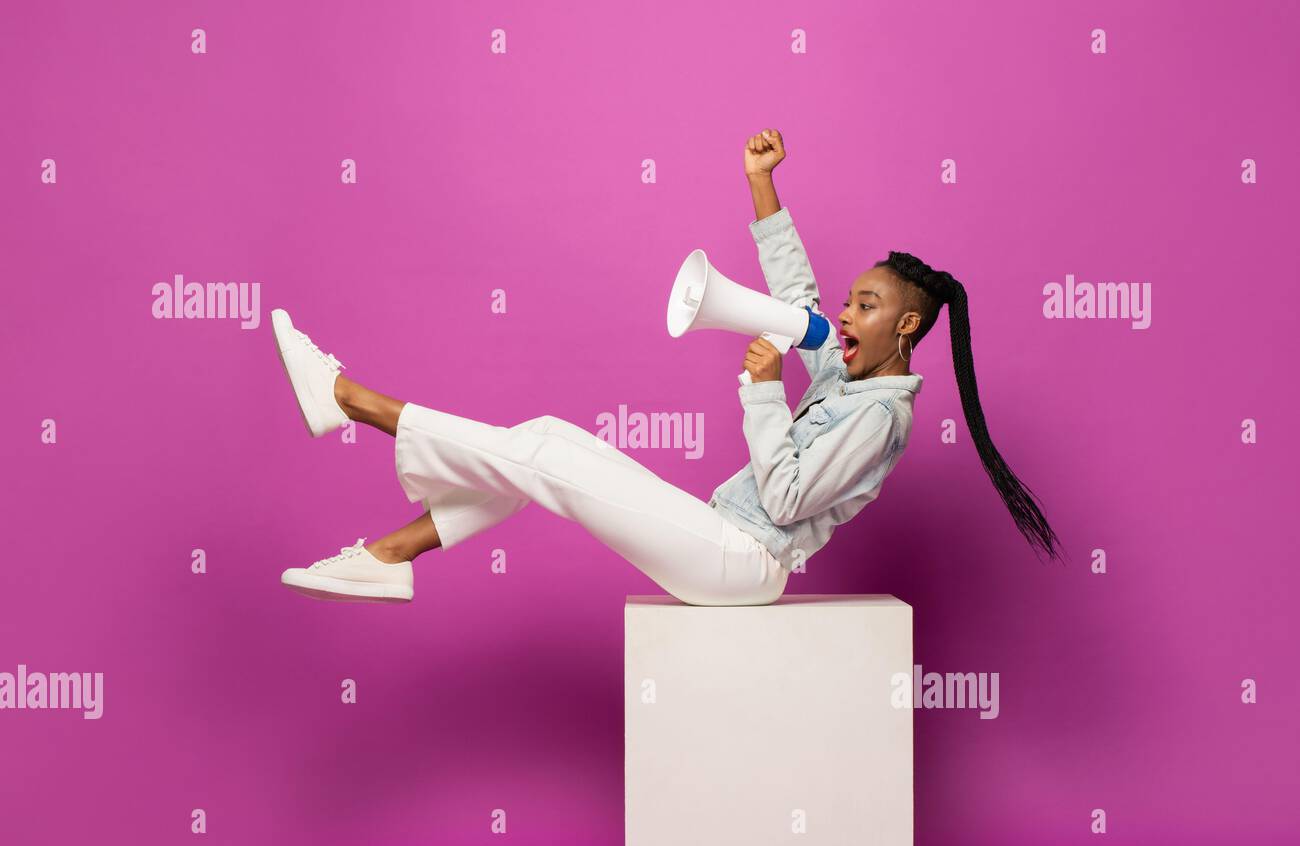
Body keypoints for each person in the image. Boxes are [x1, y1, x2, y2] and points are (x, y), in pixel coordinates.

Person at [273, 129, 1060, 607]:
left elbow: (787, 499)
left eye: (865, 306)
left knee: (546, 458)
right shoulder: (846, 375)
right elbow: (795, 297)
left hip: (743, 561)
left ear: (908, 326)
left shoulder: (883, 416)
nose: (844, 317)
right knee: (546, 439)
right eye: (850, 304)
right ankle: (388, 557)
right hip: (719, 539)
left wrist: (760, 394)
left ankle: (350, 400)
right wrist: (762, 184)